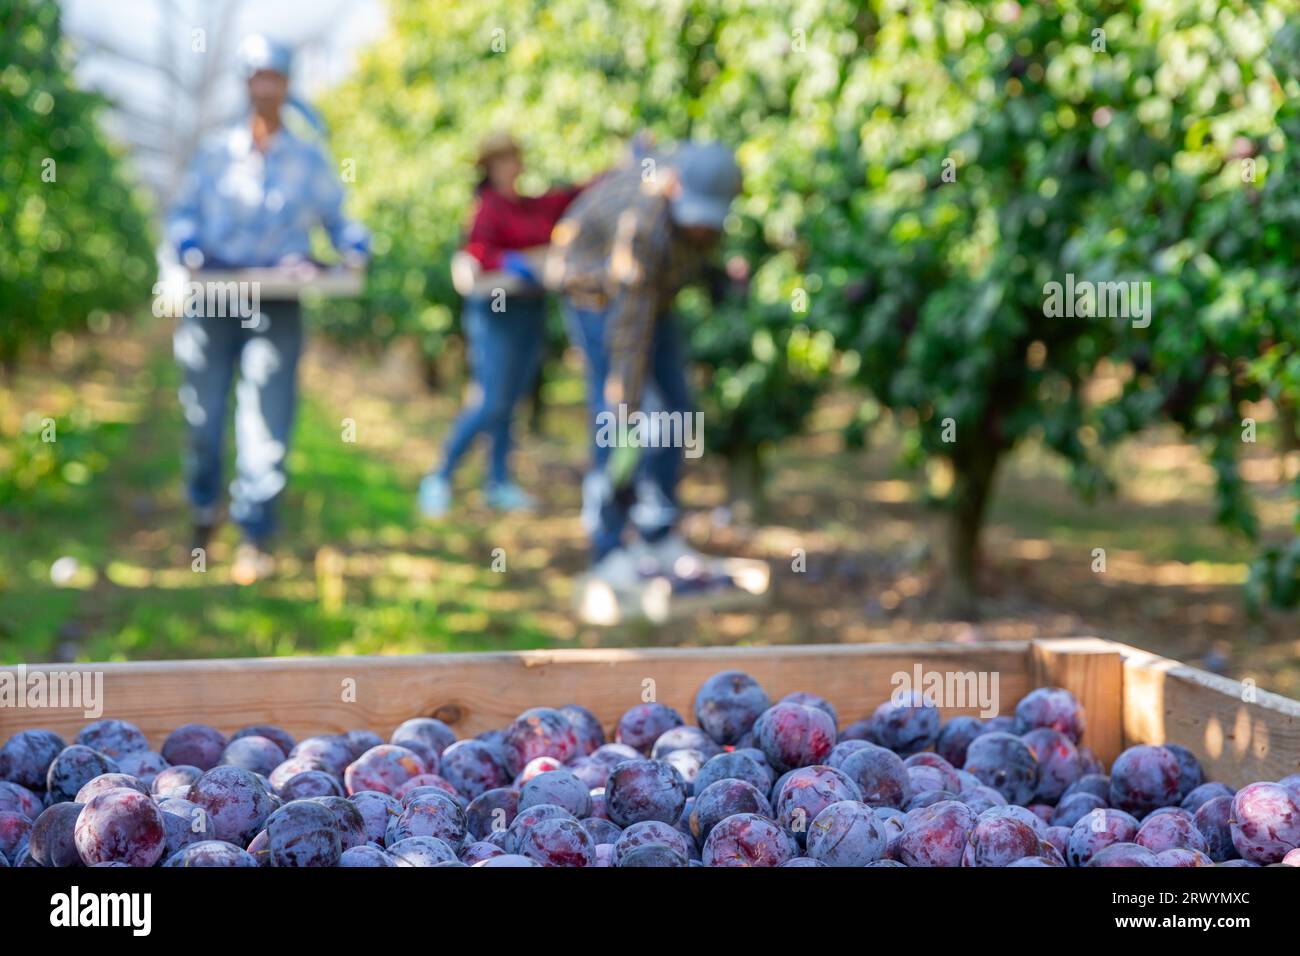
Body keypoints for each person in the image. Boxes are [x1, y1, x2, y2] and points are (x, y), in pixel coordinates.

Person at [166, 35, 368, 584]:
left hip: (276, 303)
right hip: (214, 300)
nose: (266, 87)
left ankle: (256, 533)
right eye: (257, 76)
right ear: (246, 83)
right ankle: (205, 510)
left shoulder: (308, 158)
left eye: (275, 77)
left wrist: (354, 244)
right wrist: (188, 245)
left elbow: (338, 217)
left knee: (266, 422)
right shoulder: (214, 152)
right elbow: (181, 214)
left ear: (287, 85)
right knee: (204, 416)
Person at [546, 141, 743, 615]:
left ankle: (658, 533)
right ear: (675, 189)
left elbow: (691, 267)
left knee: (679, 413)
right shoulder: (644, 226)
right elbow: (629, 333)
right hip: (597, 293)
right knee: (621, 420)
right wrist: (625, 403)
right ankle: (608, 546)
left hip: (656, 297)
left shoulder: (700, 216)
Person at [417, 133, 586, 517]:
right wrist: (507, 262)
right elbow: (476, 253)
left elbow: (571, 196)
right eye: (504, 160)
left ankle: (497, 482)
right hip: (495, 312)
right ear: (490, 166)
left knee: (510, 399)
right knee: (490, 398)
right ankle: (440, 476)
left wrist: (627, 166)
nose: (513, 166)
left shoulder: (531, 205)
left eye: (516, 159)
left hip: (530, 309)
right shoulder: (487, 208)